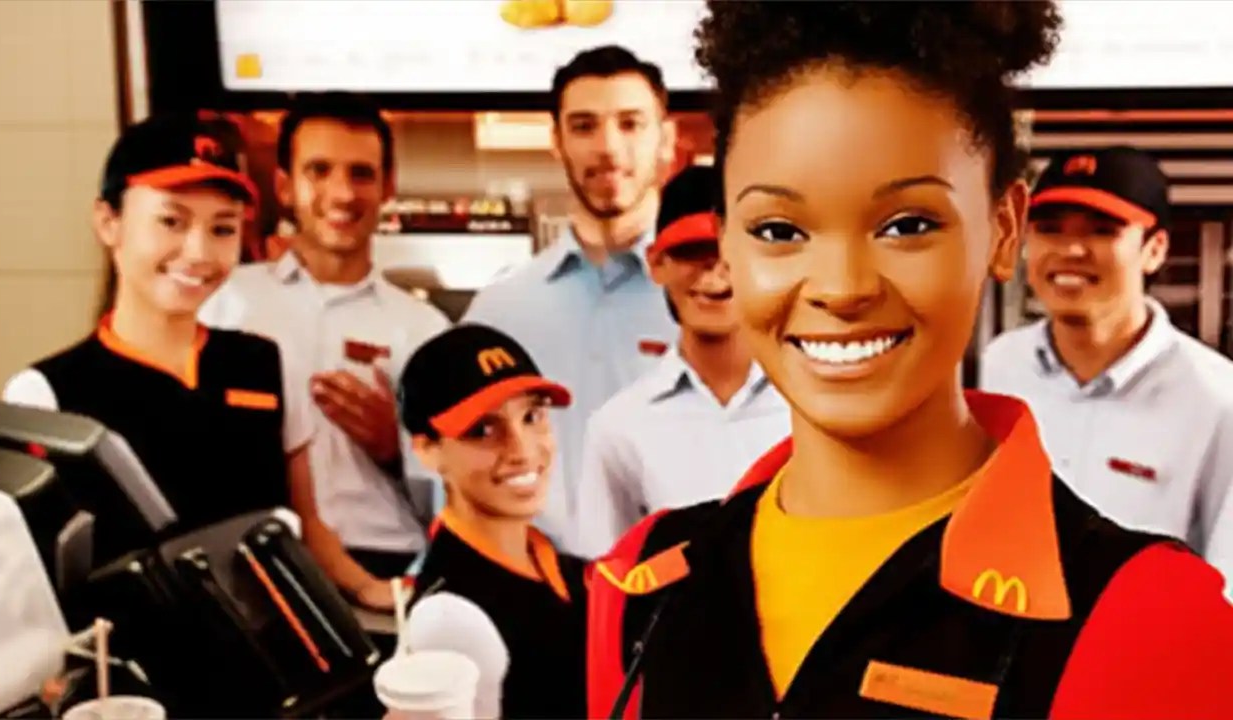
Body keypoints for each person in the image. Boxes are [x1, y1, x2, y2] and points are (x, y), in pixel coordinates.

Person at [586, 3, 1233, 719]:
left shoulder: (1152, 617)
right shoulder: (642, 581)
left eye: (908, 225)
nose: (841, 287)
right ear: (728, 245)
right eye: (778, 229)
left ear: (1002, 229)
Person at [2, 114, 317, 564]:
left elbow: (306, 527)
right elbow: (28, 575)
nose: (199, 253)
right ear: (109, 222)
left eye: (222, 229)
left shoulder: (265, 365)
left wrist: (379, 592)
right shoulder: (43, 396)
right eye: (172, 221)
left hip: (260, 633)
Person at [200, 93, 450, 611]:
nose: (342, 192)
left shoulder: (424, 330)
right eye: (320, 170)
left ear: (388, 187)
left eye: (361, 173)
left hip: (387, 563)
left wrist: (396, 444)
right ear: (286, 186)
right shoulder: (226, 301)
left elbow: (460, 491)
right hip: (254, 568)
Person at [981, 147, 1233, 587]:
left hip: (1146, 651)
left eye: (1102, 231)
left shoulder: (1216, 401)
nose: (1071, 250)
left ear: (1154, 249)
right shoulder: (997, 366)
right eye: (1049, 229)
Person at [462, 45, 677, 550]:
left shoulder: (718, 308)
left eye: (630, 124)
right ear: (556, 142)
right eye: (584, 126)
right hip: (537, 594)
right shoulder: (499, 313)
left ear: (665, 139)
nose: (608, 147)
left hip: (676, 591)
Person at [574, 165, 790, 557]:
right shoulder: (620, 427)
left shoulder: (812, 404)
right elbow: (606, 580)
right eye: (693, 252)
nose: (714, 271)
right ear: (657, 264)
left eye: (730, 252)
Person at [400, 324, 586, 719]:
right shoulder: (451, 619)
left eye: (532, 416)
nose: (521, 450)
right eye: (483, 430)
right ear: (429, 451)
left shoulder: (553, 560)